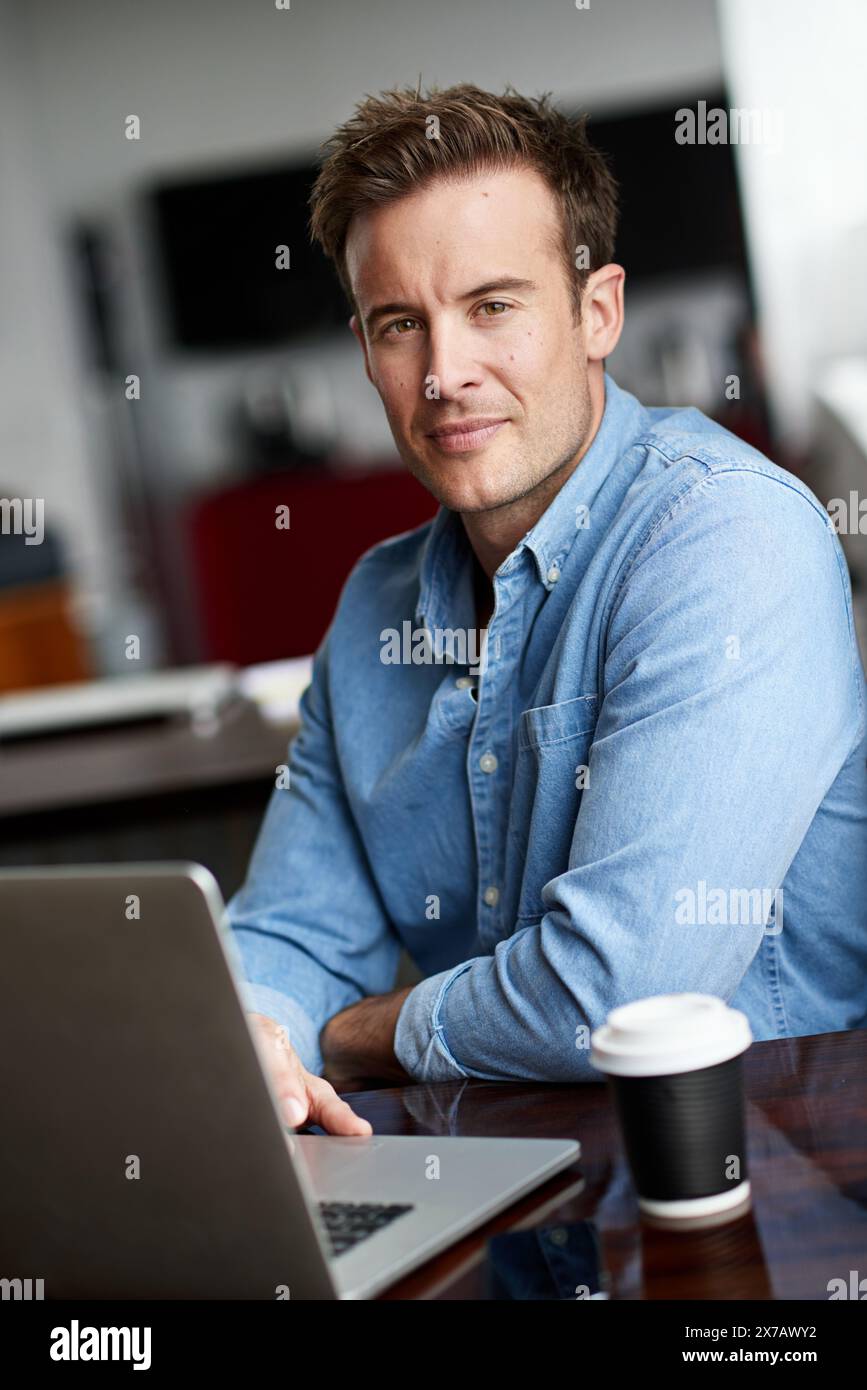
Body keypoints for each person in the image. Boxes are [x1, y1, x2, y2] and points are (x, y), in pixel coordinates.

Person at [229, 83, 867, 1135]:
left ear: (597, 311)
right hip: (500, 1174)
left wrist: (348, 1033)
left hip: (759, 1183)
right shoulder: (374, 607)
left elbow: (618, 993)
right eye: (401, 325)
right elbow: (291, 936)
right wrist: (258, 1030)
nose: (445, 375)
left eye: (492, 307)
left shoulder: (725, 539)